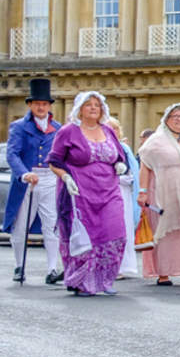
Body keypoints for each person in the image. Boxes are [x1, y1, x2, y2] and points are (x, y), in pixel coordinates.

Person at [47, 91, 129, 296]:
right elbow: (54, 161)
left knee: (114, 231)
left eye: (97, 105)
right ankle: (83, 281)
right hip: (81, 194)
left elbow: (120, 156)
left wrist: (119, 164)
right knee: (85, 237)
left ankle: (105, 278)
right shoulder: (68, 131)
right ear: (79, 109)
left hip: (109, 191)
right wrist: (66, 177)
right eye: (88, 104)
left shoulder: (108, 131)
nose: (93, 108)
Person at [137, 103, 180, 286]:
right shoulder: (156, 140)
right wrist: (142, 192)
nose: (179, 119)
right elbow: (145, 166)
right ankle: (164, 272)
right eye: (174, 116)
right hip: (165, 191)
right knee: (166, 229)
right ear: (166, 119)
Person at [4, 78, 63, 284]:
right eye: (37, 103)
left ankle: (52, 269)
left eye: (44, 104)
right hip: (27, 180)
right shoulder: (19, 126)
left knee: (51, 224)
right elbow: (12, 154)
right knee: (21, 225)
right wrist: (23, 174)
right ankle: (19, 266)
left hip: (49, 179)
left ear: (49, 106)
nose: (41, 107)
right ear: (30, 105)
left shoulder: (58, 128)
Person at [106, 117, 141, 279]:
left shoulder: (124, 148)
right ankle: (109, 265)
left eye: (115, 128)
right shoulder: (100, 147)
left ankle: (123, 266)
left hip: (124, 192)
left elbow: (132, 170)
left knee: (124, 227)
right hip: (105, 191)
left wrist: (126, 178)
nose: (112, 131)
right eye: (109, 128)